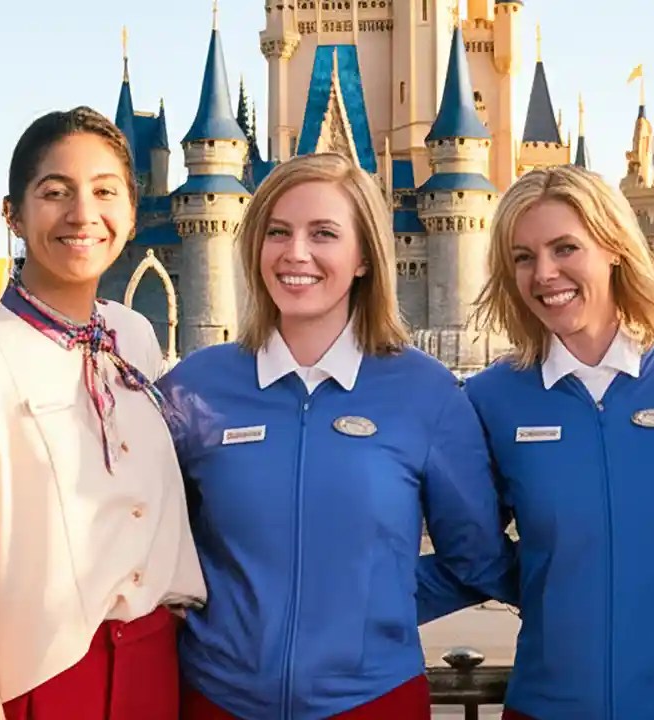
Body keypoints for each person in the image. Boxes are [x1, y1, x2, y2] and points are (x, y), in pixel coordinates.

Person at [157, 152, 516, 720]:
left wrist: (372, 608)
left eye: (323, 233)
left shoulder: (425, 393)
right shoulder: (194, 389)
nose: (296, 252)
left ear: (365, 258)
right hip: (219, 701)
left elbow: (474, 559)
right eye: (278, 232)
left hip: (371, 703)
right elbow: (141, 541)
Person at [0, 106, 206, 720]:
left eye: (104, 192)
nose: (82, 214)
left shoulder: (134, 338)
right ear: (12, 213)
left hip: (154, 669)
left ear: (133, 211)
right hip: (37, 686)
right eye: (55, 192)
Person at [417, 164, 654, 719]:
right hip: (547, 706)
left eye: (565, 248)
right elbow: (467, 551)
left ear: (615, 247)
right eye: (523, 257)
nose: (544, 273)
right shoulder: (489, 399)